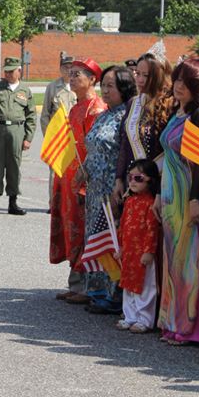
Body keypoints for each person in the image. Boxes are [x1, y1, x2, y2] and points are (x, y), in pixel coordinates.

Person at [156, 57, 199, 345]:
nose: (179, 86)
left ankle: (192, 327)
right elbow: (166, 157)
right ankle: (173, 321)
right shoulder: (177, 113)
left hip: (189, 199)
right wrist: (158, 194)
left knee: (191, 263)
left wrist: (196, 200)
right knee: (173, 262)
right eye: (177, 79)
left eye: (186, 82)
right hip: (170, 199)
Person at [50, 58, 106, 302]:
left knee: (84, 229)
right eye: (70, 75)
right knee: (71, 227)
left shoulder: (96, 109)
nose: (71, 79)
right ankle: (75, 283)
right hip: (70, 176)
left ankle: (87, 286)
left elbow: (94, 149)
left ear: (92, 79)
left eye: (77, 75)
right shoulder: (75, 107)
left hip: (86, 178)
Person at [81, 65, 136, 314]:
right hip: (94, 188)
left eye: (110, 86)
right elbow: (93, 144)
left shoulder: (127, 115)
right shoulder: (105, 113)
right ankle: (97, 289)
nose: (105, 90)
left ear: (124, 88)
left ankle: (114, 295)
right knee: (96, 238)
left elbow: (125, 152)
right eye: (103, 85)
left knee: (111, 240)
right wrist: (84, 168)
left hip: (111, 188)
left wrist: (120, 182)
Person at [113, 51, 173, 206]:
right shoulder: (133, 103)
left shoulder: (170, 104)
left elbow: (168, 150)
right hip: (133, 182)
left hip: (159, 184)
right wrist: (119, 178)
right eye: (137, 73)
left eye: (145, 75)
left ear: (159, 76)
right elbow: (125, 144)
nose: (139, 80)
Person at [0, 57, 37, 216]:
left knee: (14, 167)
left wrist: (28, 138)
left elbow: (31, 116)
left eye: (12, 71)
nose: (8, 74)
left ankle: (13, 203)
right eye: (6, 71)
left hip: (17, 131)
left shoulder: (25, 90)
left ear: (19, 71)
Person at [116, 159, 160, 333]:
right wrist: (120, 247)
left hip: (142, 252)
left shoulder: (150, 204)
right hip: (129, 252)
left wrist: (149, 251)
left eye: (138, 178)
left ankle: (144, 319)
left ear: (150, 180)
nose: (132, 182)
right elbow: (123, 226)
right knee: (128, 285)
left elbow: (152, 230)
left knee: (145, 287)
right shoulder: (130, 202)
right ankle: (130, 316)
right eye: (130, 177)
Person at [40, 52, 76, 208]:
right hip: (57, 138)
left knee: (73, 173)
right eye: (65, 67)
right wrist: (49, 137)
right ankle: (53, 203)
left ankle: (70, 203)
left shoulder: (78, 87)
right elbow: (45, 115)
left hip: (74, 138)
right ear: (60, 69)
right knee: (55, 173)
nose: (68, 71)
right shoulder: (52, 87)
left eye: (71, 68)